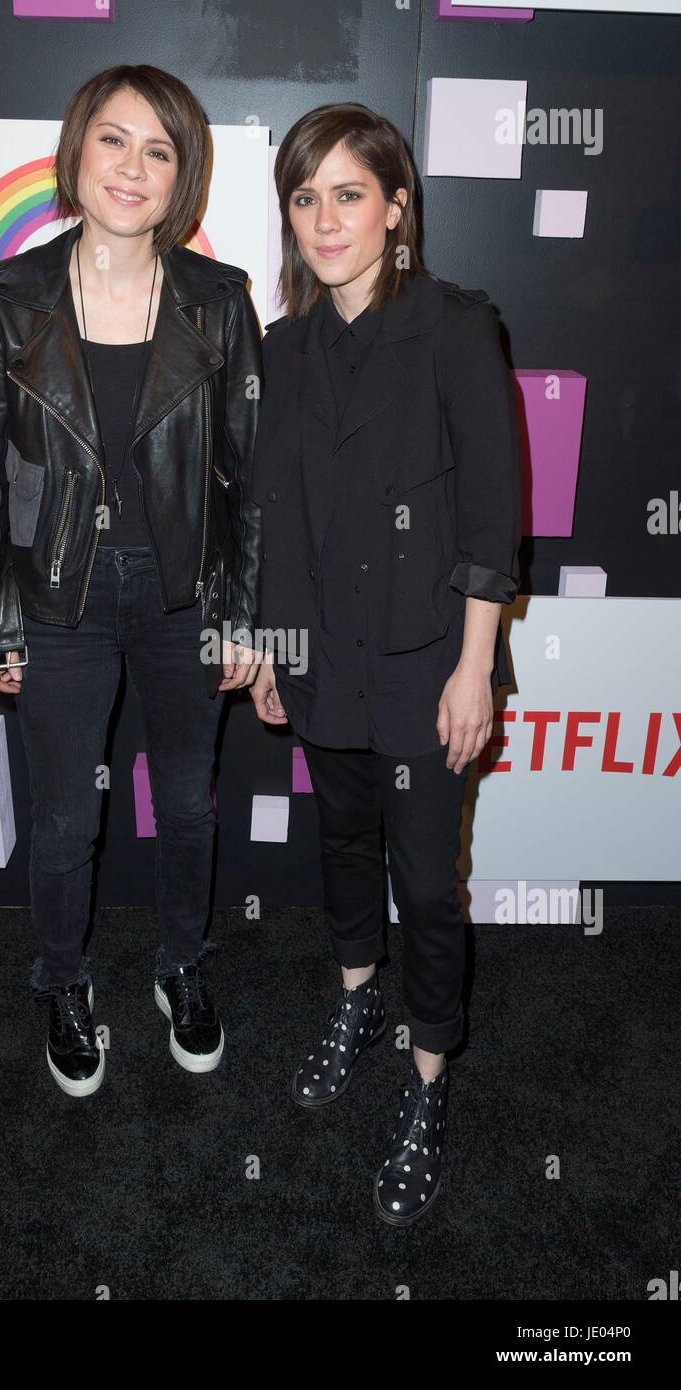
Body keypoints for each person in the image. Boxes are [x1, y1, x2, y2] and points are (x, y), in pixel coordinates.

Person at [0, 65, 262, 1097]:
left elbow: (247, 479)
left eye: (159, 149)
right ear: (76, 152)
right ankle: (64, 982)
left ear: (183, 179)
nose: (133, 167)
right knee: (63, 820)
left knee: (185, 803)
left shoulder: (221, 303)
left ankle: (182, 966)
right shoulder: (14, 299)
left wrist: (240, 610)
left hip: (181, 598)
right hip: (56, 597)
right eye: (114, 140)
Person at [249, 102, 522, 1224]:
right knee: (343, 851)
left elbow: (494, 515)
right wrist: (272, 647)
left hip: (423, 665)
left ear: (397, 206)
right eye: (305, 197)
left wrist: (472, 669)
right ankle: (356, 999)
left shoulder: (455, 328)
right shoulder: (281, 347)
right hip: (321, 659)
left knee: (427, 881)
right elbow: (276, 511)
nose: (324, 218)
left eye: (347, 193)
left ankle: (427, 1076)